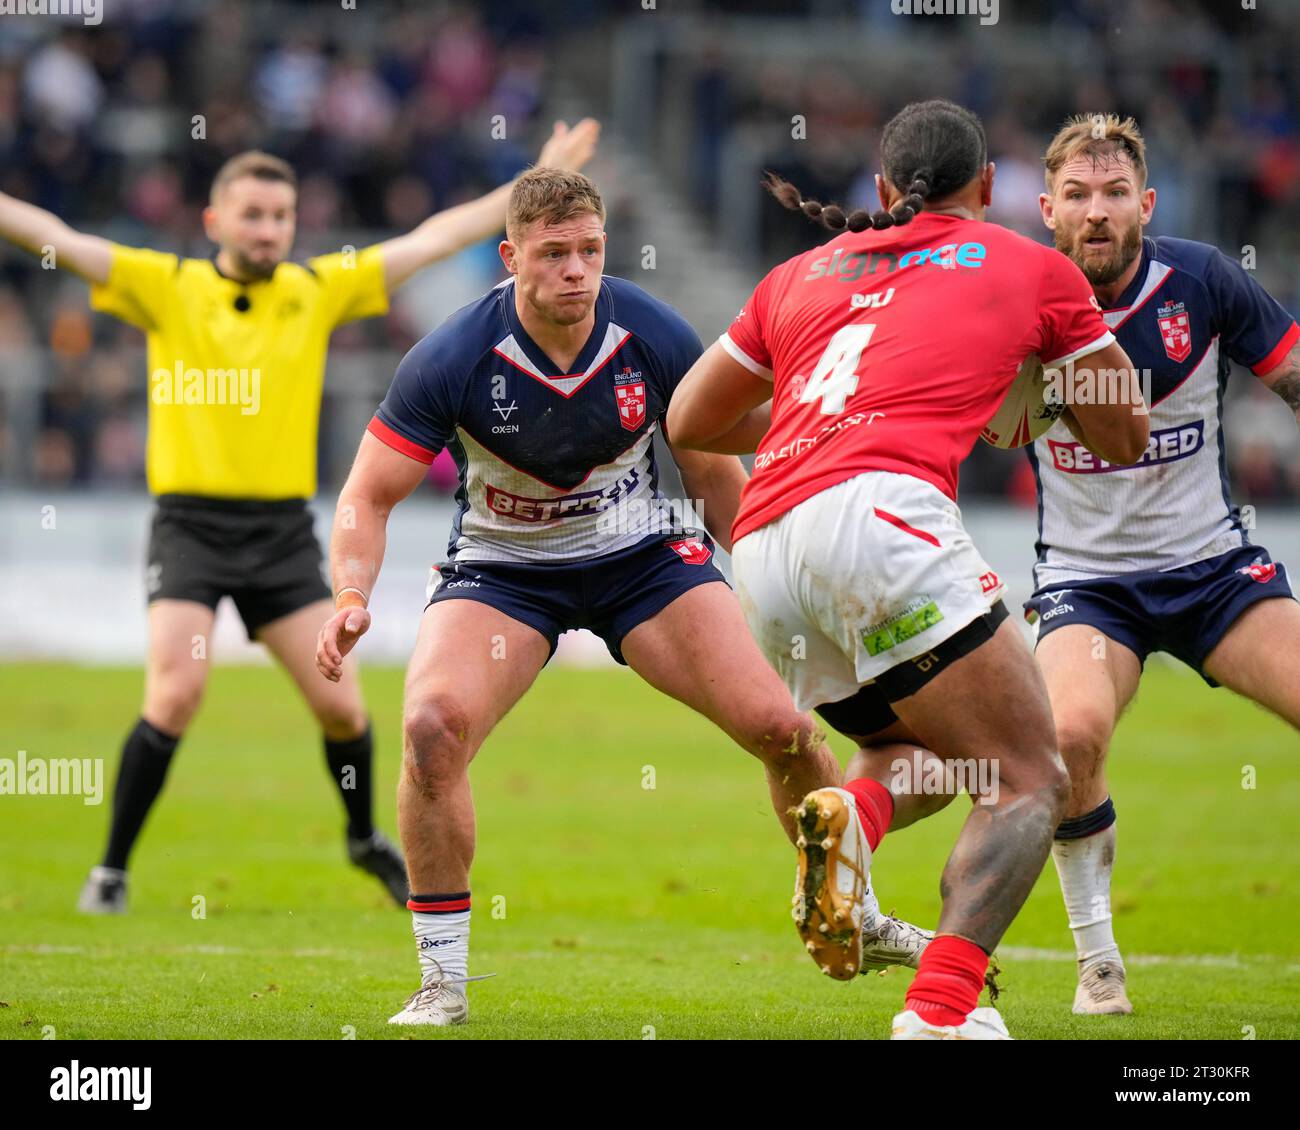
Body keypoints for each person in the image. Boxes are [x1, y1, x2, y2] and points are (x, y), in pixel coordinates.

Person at [316, 166, 929, 1027]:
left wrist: (781, 576)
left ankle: (849, 909)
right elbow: (366, 496)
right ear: (511, 257)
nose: (577, 270)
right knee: (428, 728)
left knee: (784, 730)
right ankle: (442, 983)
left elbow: (717, 472)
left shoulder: (648, 329)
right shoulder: (453, 356)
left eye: (591, 251)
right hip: (502, 568)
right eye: (555, 253)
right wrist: (350, 591)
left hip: (641, 556)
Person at [0, 119, 601, 912]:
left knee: (343, 708)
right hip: (189, 529)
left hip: (281, 535)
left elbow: (429, 239)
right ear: (215, 223)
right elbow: (56, 236)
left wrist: (531, 181)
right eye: (252, 215)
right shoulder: (168, 285)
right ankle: (110, 869)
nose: (269, 229)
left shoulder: (315, 290)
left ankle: (362, 841)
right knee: (176, 694)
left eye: (281, 216)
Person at [666, 99, 1148, 1039]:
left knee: (919, 750)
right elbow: (1124, 434)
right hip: (882, 522)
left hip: (766, 547)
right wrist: (1045, 391)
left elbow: (689, 421)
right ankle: (940, 1012)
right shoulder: (1030, 266)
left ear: (883, 190)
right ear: (993, 189)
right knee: (1031, 779)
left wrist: (827, 421)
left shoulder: (801, 271)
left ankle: (857, 809)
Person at [1029, 114, 1300, 1015]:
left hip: (1216, 571)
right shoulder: (1017, 303)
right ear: (1047, 209)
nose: (1096, 212)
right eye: (1077, 195)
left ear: (1146, 204)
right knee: (1068, 740)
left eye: (1114, 194)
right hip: (1086, 584)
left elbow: (1295, 374)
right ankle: (1098, 961)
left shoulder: (1207, 280)